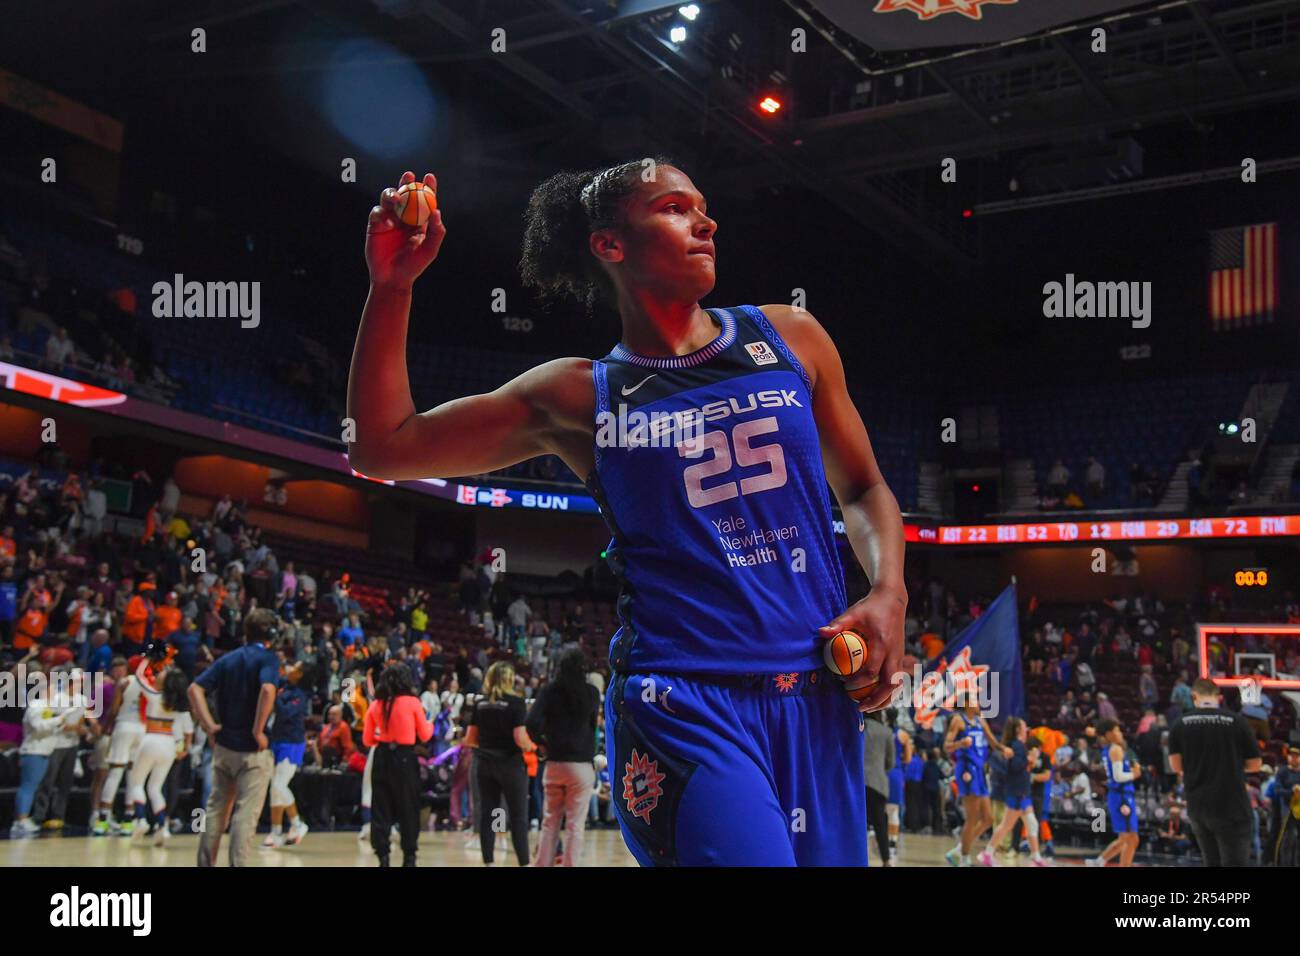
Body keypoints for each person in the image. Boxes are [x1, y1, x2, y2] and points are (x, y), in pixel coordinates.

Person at [346, 160, 908, 867]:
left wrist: (888, 592)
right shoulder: (581, 395)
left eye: (703, 206)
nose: (705, 221)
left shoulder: (792, 338)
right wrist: (392, 288)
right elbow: (381, 446)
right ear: (610, 244)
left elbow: (863, 491)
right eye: (674, 208)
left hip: (817, 700)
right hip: (684, 703)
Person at [188, 607, 280, 867]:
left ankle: (205, 864)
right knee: (244, 814)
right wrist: (258, 730)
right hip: (252, 751)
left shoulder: (228, 659)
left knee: (216, 809)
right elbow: (268, 688)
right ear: (271, 633)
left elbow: (194, 689)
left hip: (224, 745)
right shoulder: (268, 659)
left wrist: (209, 726)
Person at [1167, 679, 1262, 867]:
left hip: (1199, 807)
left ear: (1194, 696)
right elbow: (1255, 765)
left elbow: (1176, 767)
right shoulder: (1237, 722)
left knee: (1211, 862)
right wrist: (1231, 765)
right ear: (1219, 697)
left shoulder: (1179, 725)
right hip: (1232, 805)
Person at [526, 643, 601, 866]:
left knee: (549, 823)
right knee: (575, 826)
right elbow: (592, 728)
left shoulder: (549, 690)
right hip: (581, 766)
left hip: (555, 762)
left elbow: (531, 723)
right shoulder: (592, 693)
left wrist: (541, 744)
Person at [465, 661, 535, 866]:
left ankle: (489, 862)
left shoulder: (480, 703)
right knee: (518, 816)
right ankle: (524, 862)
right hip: (510, 765)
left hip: (484, 764)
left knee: (489, 813)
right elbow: (520, 739)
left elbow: (470, 738)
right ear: (510, 679)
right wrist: (533, 746)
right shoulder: (516, 702)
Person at [364, 663, 433, 867]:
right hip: (404, 757)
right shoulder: (413, 702)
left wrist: (384, 738)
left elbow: (368, 740)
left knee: (381, 808)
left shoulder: (376, 705)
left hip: (382, 755)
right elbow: (425, 735)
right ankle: (409, 858)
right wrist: (429, 723)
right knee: (408, 808)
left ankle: (383, 857)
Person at [126, 650, 192, 845]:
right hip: (169, 744)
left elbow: (139, 677)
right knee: (155, 788)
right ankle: (162, 827)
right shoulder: (180, 704)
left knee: (137, 782)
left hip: (151, 739)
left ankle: (141, 820)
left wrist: (147, 658)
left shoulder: (156, 697)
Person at [943, 697, 1008, 867]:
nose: (978, 704)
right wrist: (960, 743)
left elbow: (993, 742)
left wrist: (1004, 749)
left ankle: (957, 851)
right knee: (972, 818)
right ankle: (964, 859)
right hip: (966, 770)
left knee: (988, 819)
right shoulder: (958, 720)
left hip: (979, 770)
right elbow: (947, 745)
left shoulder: (980, 721)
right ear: (966, 704)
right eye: (975, 701)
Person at [976, 719, 1049, 867]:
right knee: (1006, 826)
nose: (1026, 727)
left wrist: (1029, 762)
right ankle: (987, 854)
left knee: (1032, 823)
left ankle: (1036, 857)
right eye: (1023, 726)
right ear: (1017, 730)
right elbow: (1015, 767)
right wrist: (1030, 760)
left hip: (1022, 790)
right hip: (1017, 791)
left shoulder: (1019, 746)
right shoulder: (1017, 746)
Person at [263, 663, 310, 848]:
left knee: (279, 785)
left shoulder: (300, 695)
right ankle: (275, 832)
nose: (290, 669)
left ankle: (298, 824)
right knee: (274, 789)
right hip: (277, 741)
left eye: (295, 668)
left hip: (292, 744)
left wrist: (274, 696)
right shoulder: (283, 685)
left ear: (300, 675)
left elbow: (284, 712)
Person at [1088, 718, 1142, 867]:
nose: (1120, 733)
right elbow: (1118, 777)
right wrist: (1134, 774)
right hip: (1121, 796)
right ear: (1109, 734)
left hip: (1120, 795)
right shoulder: (1115, 749)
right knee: (1127, 837)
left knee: (1131, 838)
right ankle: (1098, 862)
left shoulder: (1115, 748)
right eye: (1117, 730)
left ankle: (1109, 863)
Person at [863, 710, 894, 866]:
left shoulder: (857, 726)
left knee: (855, 822)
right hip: (877, 783)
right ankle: (886, 860)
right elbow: (891, 762)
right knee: (880, 824)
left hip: (856, 782)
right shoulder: (886, 732)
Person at [1266, 744, 1300, 866]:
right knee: (1288, 841)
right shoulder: (1283, 772)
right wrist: (1291, 791)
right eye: (1291, 756)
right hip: (1287, 812)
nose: (1294, 758)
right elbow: (1277, 790)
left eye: (1297, 756)